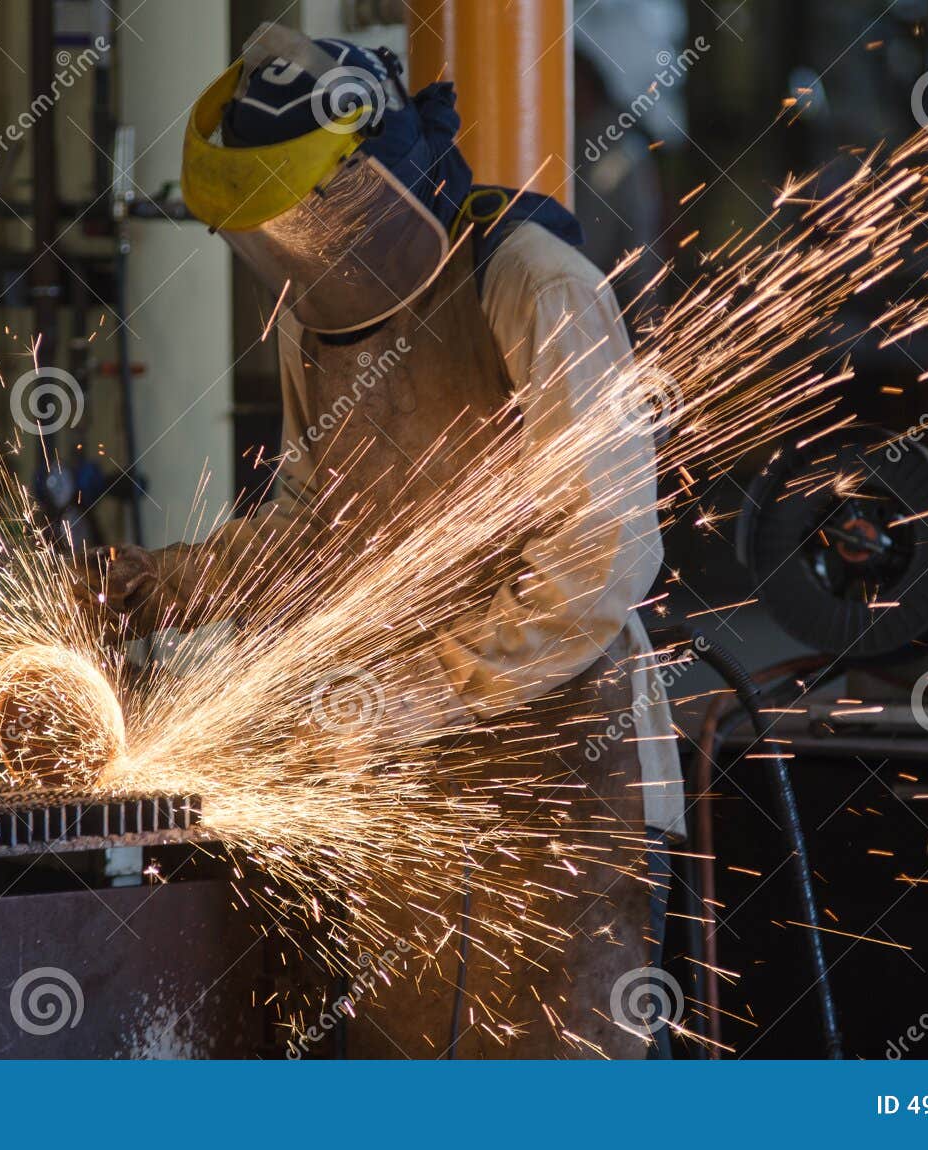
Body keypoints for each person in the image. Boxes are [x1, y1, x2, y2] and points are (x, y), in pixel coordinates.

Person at [92, 25, 684, 1059]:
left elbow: (600, 560)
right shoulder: (317, 321)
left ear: (369, 183)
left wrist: (400, 696)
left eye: (300, 221)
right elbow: (316, 535)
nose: (290, 251)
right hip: (405, 779)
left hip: (558, 768)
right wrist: (160, 585)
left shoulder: (533, 282)